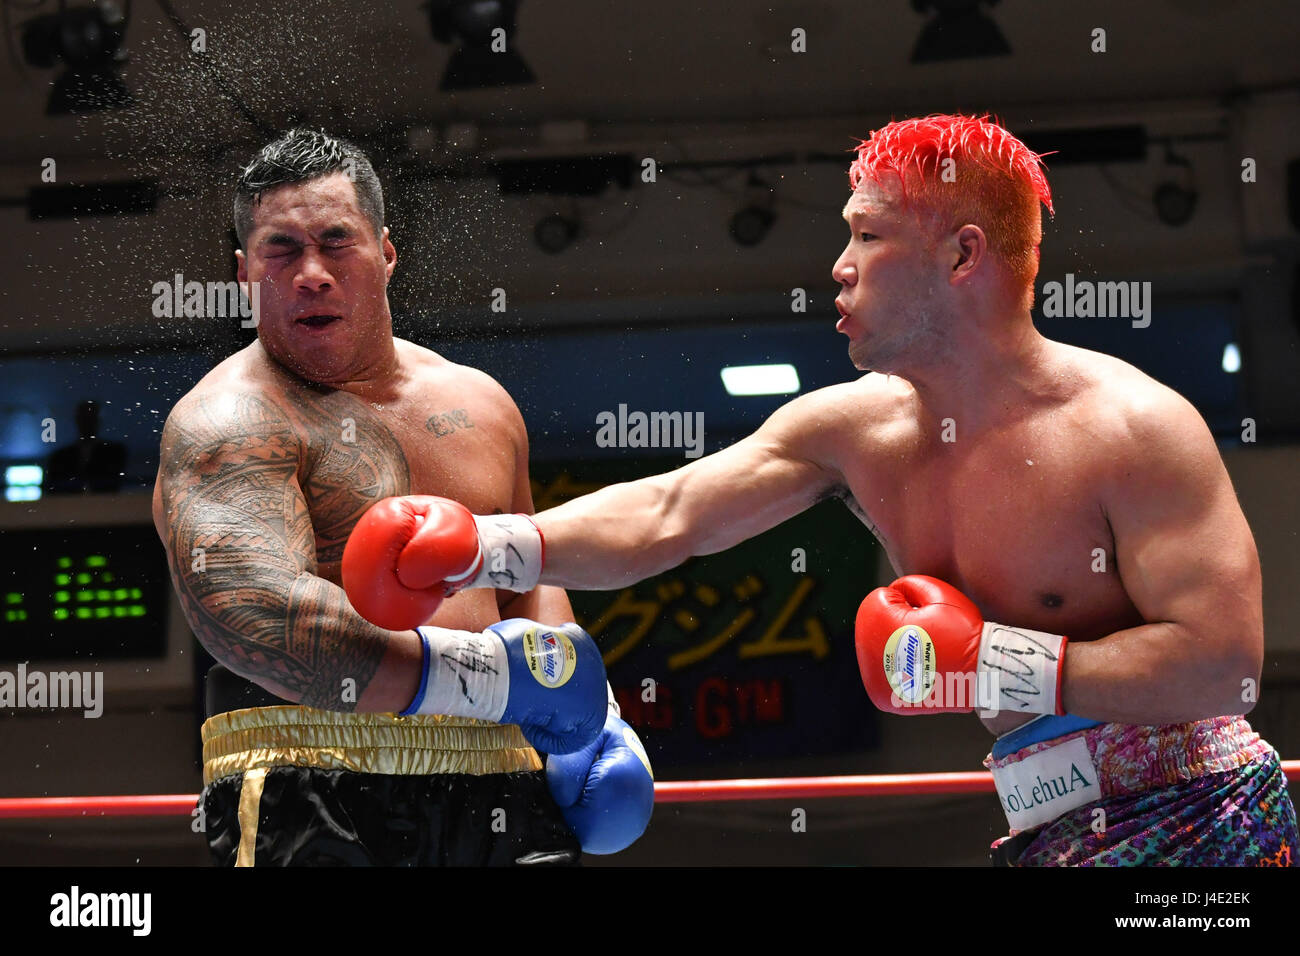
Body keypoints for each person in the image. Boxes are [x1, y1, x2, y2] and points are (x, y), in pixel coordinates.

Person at [343, 114, 1297, 867]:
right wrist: (489, 546)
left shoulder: (1133, 429)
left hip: (1200, 816)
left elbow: (1225, 667)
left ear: (963, 258)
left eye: (866, 236)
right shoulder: (853, 431)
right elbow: (670, 515)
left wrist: (999, 662)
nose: (836, 269)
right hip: (1044, 822)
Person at [151, 128, 653, 866]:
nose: (311, 272)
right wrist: (490, 680)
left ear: (386, 253)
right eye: (281, 250)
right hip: (316, 768)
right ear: (244, 273)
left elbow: (527, 583)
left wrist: (593, 721)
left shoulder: (481, 406)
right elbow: (254, 612)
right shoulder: (230, 420)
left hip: (503, 772)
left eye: (336, 241)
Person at [43, 399, 127, 494]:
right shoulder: (59, 457)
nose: (87, 423)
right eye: (84, 418)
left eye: (91, 419)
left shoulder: (114, 452)